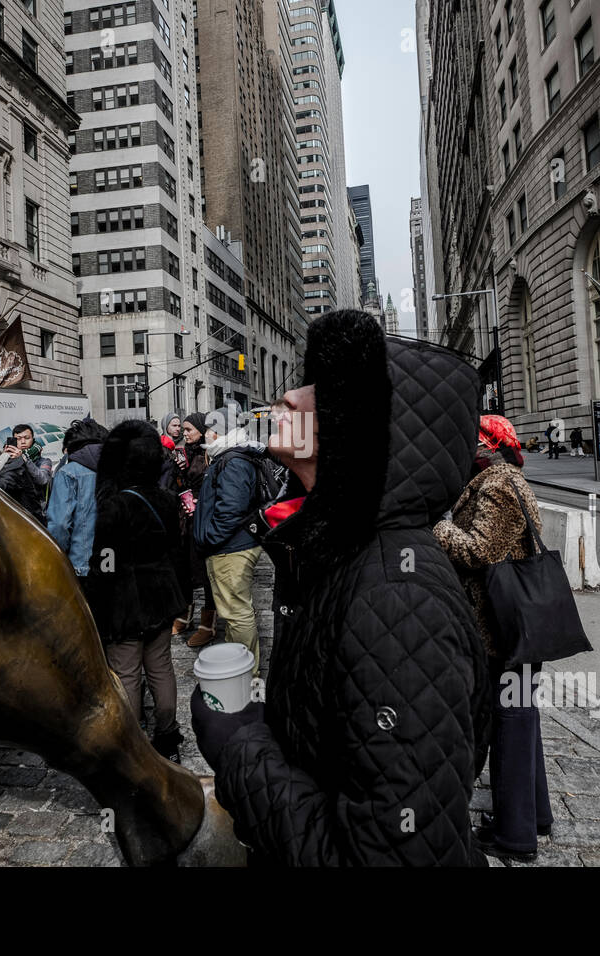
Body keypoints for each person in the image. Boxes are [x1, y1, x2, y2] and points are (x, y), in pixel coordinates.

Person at [190, 309, 491, 866]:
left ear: (362, 431)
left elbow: (388, 857)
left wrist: (239, 751)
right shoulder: (344, 558)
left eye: (319, 389)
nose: (287, 397)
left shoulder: (399, 599)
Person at [433, 415, 551, 863]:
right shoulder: (502, 478)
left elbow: (480, 551)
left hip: (500, 629)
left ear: (485, 446)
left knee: (507, 725)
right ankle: (533, 816)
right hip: (509, 626)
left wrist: (438, 527)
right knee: (522, 722)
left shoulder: (499, 484)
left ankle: (515, 837)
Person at [86, 420, 185, 762]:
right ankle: (167, 735)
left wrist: (97, 602)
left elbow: (105, 565)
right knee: (161, 668)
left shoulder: (114, 505)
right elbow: (175, 552)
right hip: (161, 596)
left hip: (125, 603)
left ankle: (132, 744)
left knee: (126, 672)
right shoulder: (168, 499)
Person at [192, 405, 268, 675]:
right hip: (229, 546)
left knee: (237, 613)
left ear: (220, 431)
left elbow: (231, 509)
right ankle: (238, 662)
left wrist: (210, 537)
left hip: (231, 548)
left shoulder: (233, 460)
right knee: (234, 611)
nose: (206, 434)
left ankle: (246, 671)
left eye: (210, 429)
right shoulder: (229, 456)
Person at [174, 412, 218, 647]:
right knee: (185, 569)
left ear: (201, 430)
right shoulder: (182, 453)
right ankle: (185, 614)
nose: (185, 433)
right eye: (184, 429)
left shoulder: (210, 453)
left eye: (189, 429)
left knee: (206, 570)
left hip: (204, 521)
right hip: (185, 521)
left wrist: (201, 503)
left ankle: (208, 622)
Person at [47, 417, 107, 577]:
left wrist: (56, 561)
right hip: (112, 561)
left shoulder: (69, 472)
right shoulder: (118, 468)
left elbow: (59, 525)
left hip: (80, 565)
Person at [9, 423, 53, 496]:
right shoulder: (9, 457)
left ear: (33, 439)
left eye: (27, 438)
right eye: (18, 439)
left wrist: (24, 459)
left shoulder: (44, 462)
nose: (23, 442)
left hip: (35, 503)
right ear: (13, 440)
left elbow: (43, 480)